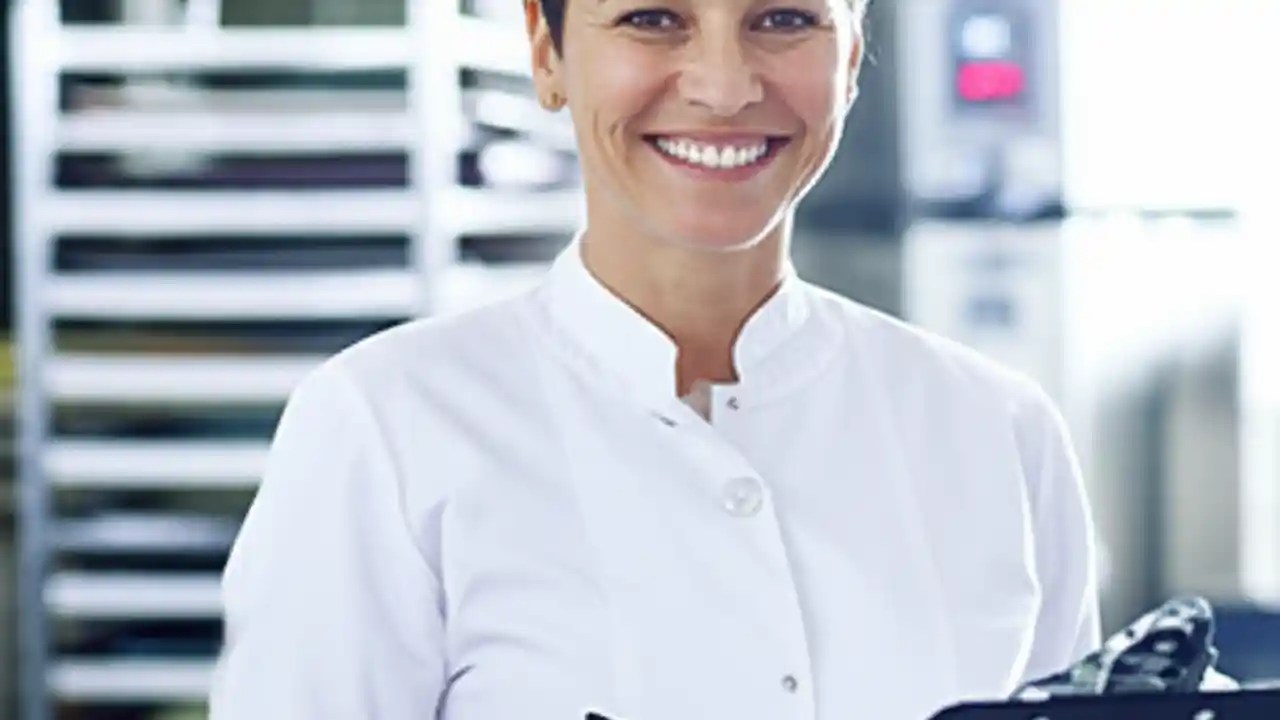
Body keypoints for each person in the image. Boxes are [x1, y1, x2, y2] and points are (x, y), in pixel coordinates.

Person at [209, 0, 1102, 718]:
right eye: (653, 19)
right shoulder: (387, 425)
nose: (723, 86)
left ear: (854, 49)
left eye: (784, 20)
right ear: (547, 50)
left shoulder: (1000, 431)